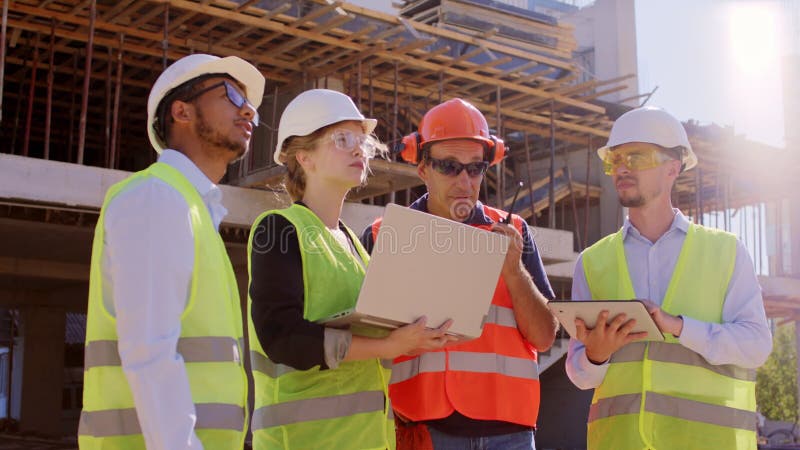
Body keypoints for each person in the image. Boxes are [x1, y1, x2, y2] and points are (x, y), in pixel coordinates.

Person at [247, 88, 454, 450]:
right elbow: (281, 337)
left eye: (363, 140)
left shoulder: (356, 246)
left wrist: (415, 336)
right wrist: (389, 344)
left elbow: (371, 342)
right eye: (343, 139)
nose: (360, 149)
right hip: (302, 442)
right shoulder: (278, 229)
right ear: (304, 157)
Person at [79, 54, 264, 450]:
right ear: (181, 110)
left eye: (250, 103)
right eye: (231, 94)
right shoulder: (157, 197)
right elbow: (149, 350)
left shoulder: (195, 209)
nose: (248, 109)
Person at [565, 106, 772, 449]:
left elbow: (756, 346)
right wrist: (595, 356)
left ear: (672, 169)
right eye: (615, 159)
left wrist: (677, 326)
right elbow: (579, 374)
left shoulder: (726, 251)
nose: (622, 168)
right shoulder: (592, 262)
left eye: (637, 157)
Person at [361, 98, 559, 450]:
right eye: (449, 167)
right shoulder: (384, 235)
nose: (464, 180)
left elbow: (544, 337)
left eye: (475, 168)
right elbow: (363, 341)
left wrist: (514, 274)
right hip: (424, 430)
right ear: (422, 168)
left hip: (508, 432)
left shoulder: (514, 231)